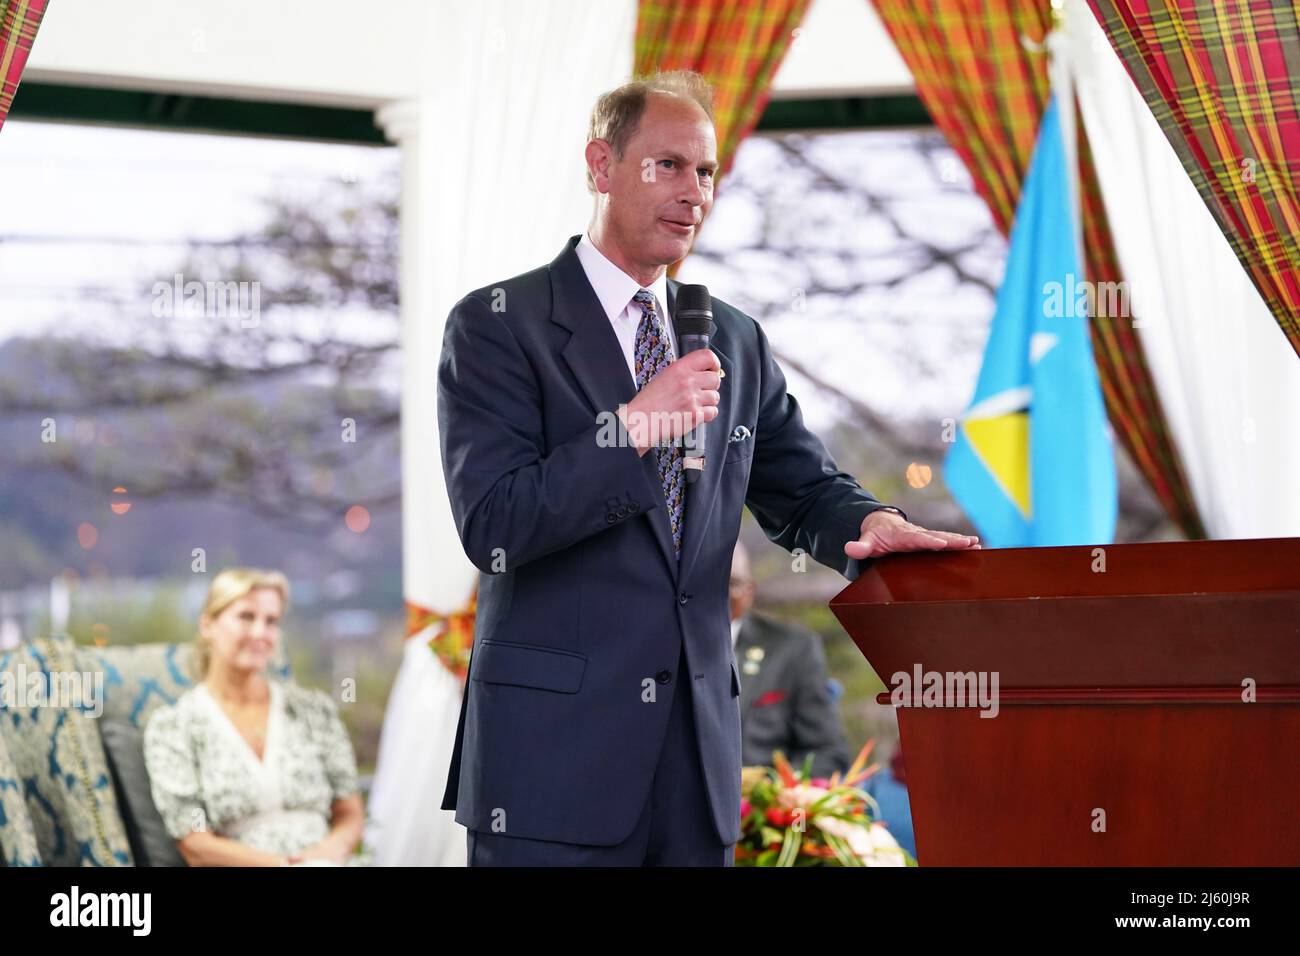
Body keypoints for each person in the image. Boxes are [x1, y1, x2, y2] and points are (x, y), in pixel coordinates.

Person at [437, 70, 979, 867]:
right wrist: (634, 426)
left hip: (696, 768)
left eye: (707, 171)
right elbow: (495, 525)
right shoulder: (498, 326)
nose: (694, 190)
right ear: (600, 166)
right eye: (668, 165)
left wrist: (873, 524)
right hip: (551, 767)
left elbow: (804, 488)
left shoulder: (732, 338)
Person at [143, 568, 366, 866]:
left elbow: (349, 811)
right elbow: (195, 845)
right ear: (208, 624)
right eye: (246, 617)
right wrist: (285, 865)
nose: (260, 633)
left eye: (271, 621)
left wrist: (330, 853)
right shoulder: (174, 727)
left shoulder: (313, 710)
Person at [728, 542, 850, 777]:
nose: (718, 593)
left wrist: (768, 794)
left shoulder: (792, 647)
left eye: (731, 583)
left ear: (749, 591)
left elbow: (827, 752)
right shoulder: (659, 644)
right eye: (708, 582)